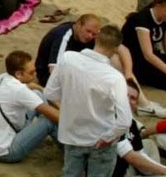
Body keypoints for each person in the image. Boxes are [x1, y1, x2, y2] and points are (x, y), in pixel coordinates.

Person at [41, 24, 132, 177]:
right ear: (116, 48)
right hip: (100, 138)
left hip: (72, 134)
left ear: (96, 39)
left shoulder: (68, 58)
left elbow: (50, 93)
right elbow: (124, 121)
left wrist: (70, 105)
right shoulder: (114, 78)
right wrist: (108, 138)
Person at [0, 49, 58, 163]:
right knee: (48, 120)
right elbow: (53, 115)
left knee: (38, 94)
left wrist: (42, 89)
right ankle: (69, 149)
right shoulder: (19, 90)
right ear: (18, 74)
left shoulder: (4, 77)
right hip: (6, 151)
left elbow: (31, 85)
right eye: (31, 72)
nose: (35, 74)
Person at [126, 0, 166, 93]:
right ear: (158, 6)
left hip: (154, 56)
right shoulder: (142, 19)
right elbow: (148, 55)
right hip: (137, 61)